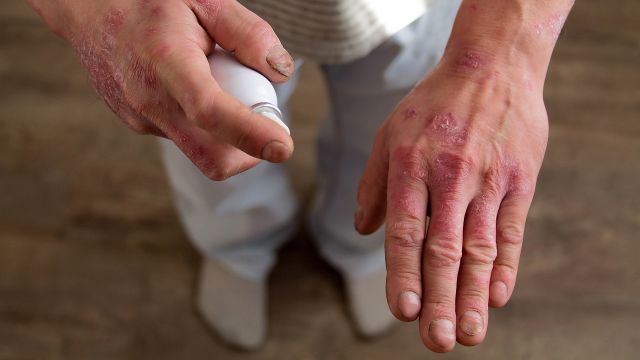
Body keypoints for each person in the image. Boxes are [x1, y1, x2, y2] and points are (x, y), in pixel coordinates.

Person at [25, 0, 574, 353]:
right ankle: (238, 246)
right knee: (216, 143)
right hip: (198, 13)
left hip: (419, 8)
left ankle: (356, 246)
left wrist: (503, 53)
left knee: (395, 142)